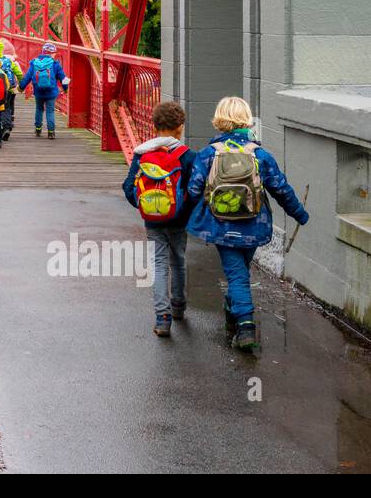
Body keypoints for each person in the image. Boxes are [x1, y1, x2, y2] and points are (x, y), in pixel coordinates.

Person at [185, 96, 309, 352]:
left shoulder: (209, 154)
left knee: (237, 275)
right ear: (246, 120)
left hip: (220, 225)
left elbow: (194, 188)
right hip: (254, 226)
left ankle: (246, 326)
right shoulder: (260, 155)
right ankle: (233, 312)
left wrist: (185, 213)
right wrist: (299, 214)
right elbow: (281, 189)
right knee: (240, 271)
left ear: (220, 120)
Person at [122, 101, 196, 337]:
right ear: (180, 127)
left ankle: (162, 318)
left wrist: (145, 206)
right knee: (178, 260)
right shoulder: (187, 156)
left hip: (152, 221)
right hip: (178, 219)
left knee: (160, 264)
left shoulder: (142, 153)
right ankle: (178, 306)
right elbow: (195, 189)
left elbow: (127, 187)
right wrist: (183, 209)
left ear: (155, 126)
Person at [20, 42, 68, 139]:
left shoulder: (34, 63)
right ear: (52, 53)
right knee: (50, 111)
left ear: (43, 52)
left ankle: (38, 129)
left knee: (39, 109)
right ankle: (51, 132)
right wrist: (65, 89)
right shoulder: (55, 64)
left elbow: (28, 77)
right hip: (51, 92)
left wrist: (21, 87)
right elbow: (63, 78)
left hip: (38, 91)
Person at [0, 38, 24, 140]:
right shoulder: (8, 61)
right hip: (8, 88)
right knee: (7, 107)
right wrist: (20, 84)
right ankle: (7, 127)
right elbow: (19, 73)